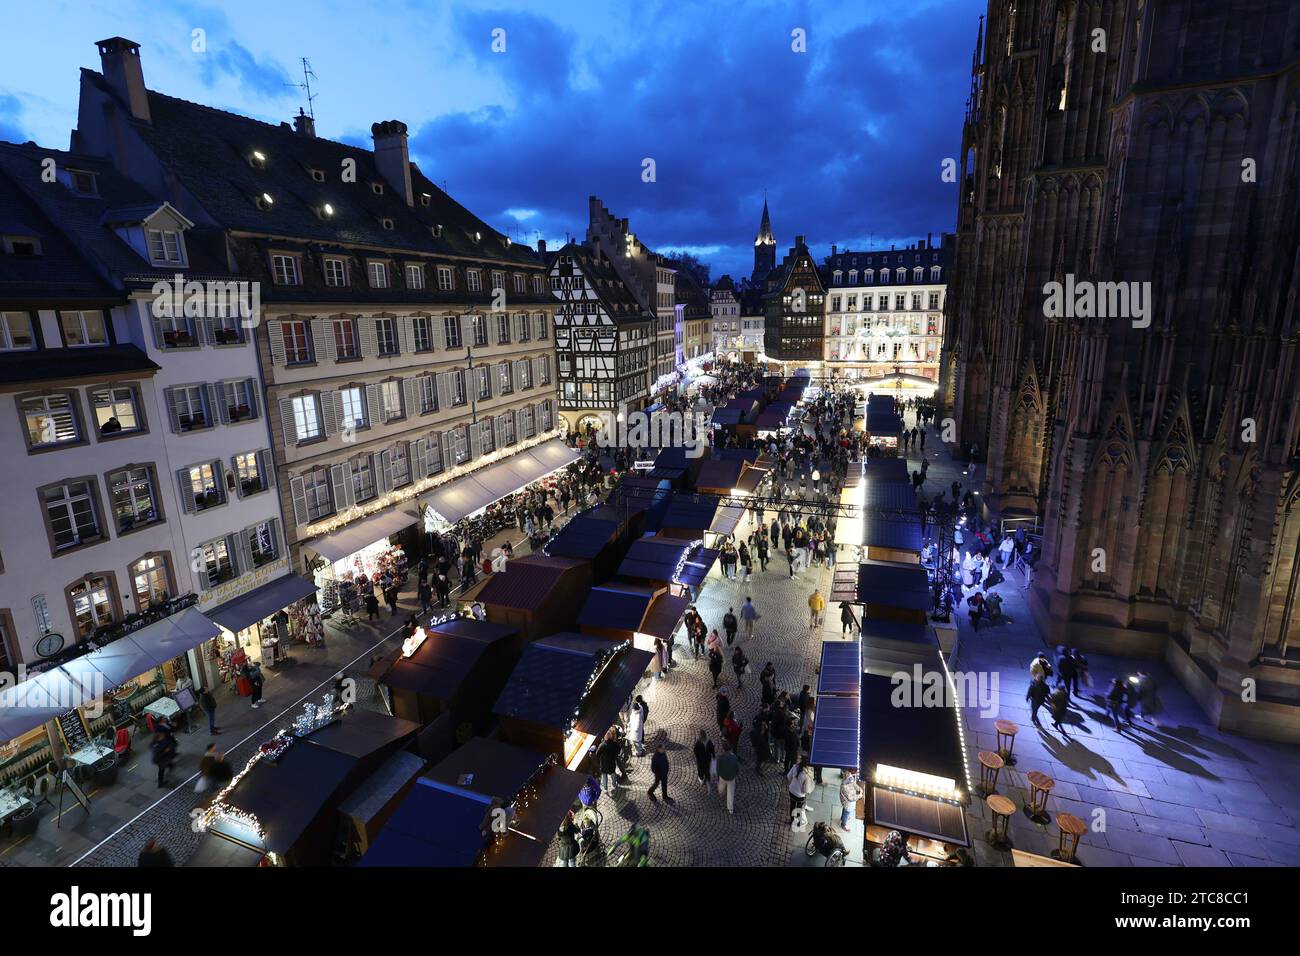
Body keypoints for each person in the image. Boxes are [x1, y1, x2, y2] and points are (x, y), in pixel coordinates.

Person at [716, 742, 740, 813]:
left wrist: (718, 775)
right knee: (730, 792)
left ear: (723, 749)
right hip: (731, 777)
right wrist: (735, 774)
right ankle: (730, 809)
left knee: (721, 786)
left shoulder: (720, 757)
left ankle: (721, 792)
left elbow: (718, 768)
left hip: (723, 776)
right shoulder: (734, 757)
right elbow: (737, 768)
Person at [596, 730, 620, 796]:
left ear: (605, 737)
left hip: (604, 764)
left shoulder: (602, 745)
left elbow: (597, 754)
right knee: (613, 774)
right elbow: (618, 751)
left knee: (604, 776)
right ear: (611, 736)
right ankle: (614, 785)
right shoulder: (614, 744)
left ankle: (605, 789)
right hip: (612, 763)